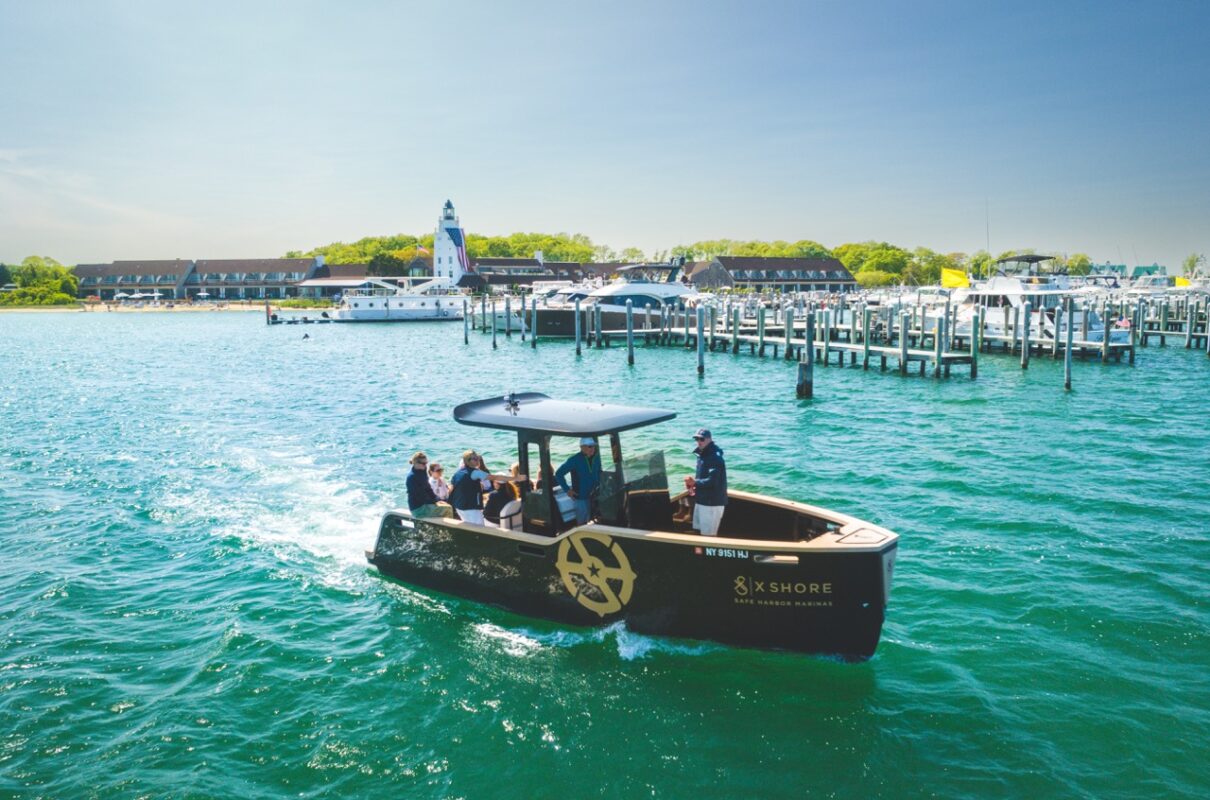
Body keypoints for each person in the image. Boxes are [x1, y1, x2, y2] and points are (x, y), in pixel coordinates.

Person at [449, 450, 510, 525]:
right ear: (468, 461)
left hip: (459, 506)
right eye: (475, 459)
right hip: (469, 507)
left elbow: (452, 489)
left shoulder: (458, 473)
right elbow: (495, 477)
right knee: (479, 527)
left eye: (477, 458)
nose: (478, 460)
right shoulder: (475, 472)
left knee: (470, 525)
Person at [685, 428, 727, 536]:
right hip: (702, 499)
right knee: (698, 529)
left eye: (701, 439)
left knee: (709, 535)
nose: (699, 442)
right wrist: (693, 484)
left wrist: (695, 483)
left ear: (709, 439)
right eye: (696, 439)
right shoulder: (703, 454)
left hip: (711, 503)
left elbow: (713, 481)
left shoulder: (714, 457)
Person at [555, 437, 602, 525]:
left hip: (595, 495)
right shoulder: (574, 460)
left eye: (593, 446)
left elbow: (600, 472)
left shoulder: (597, 458)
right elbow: (559, 474)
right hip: (581, 496)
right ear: (582, 447)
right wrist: (567, 490)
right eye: (590, 446)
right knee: (582, 522)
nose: (592, 449)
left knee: (596, 520)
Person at [406, 451, 453, 519]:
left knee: (445, 504)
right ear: (416, 463)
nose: (426, 465)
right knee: (448, 509)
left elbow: (428, 488)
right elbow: (420, 497)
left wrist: (437, 499)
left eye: (426, 463)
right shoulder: (412, 478)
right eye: (424, 463)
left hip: (425, 504)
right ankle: (447, 529)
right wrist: (434, 502)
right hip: (418, 509)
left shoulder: (422, 470)